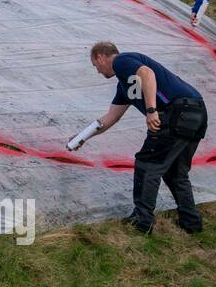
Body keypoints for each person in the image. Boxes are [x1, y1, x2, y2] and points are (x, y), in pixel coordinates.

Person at [68, 42, 207, 234]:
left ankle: (142, 221)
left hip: (176, 112)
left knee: (147, 164)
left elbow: (147, 74)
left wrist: (151, 111)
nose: (98, 71)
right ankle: (191, 223)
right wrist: (84, 136)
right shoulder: (125, 85)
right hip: (196, 113)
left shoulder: (121, 61)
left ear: (101, 57)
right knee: (176, 172)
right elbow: (111, 117)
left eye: (95, 65)